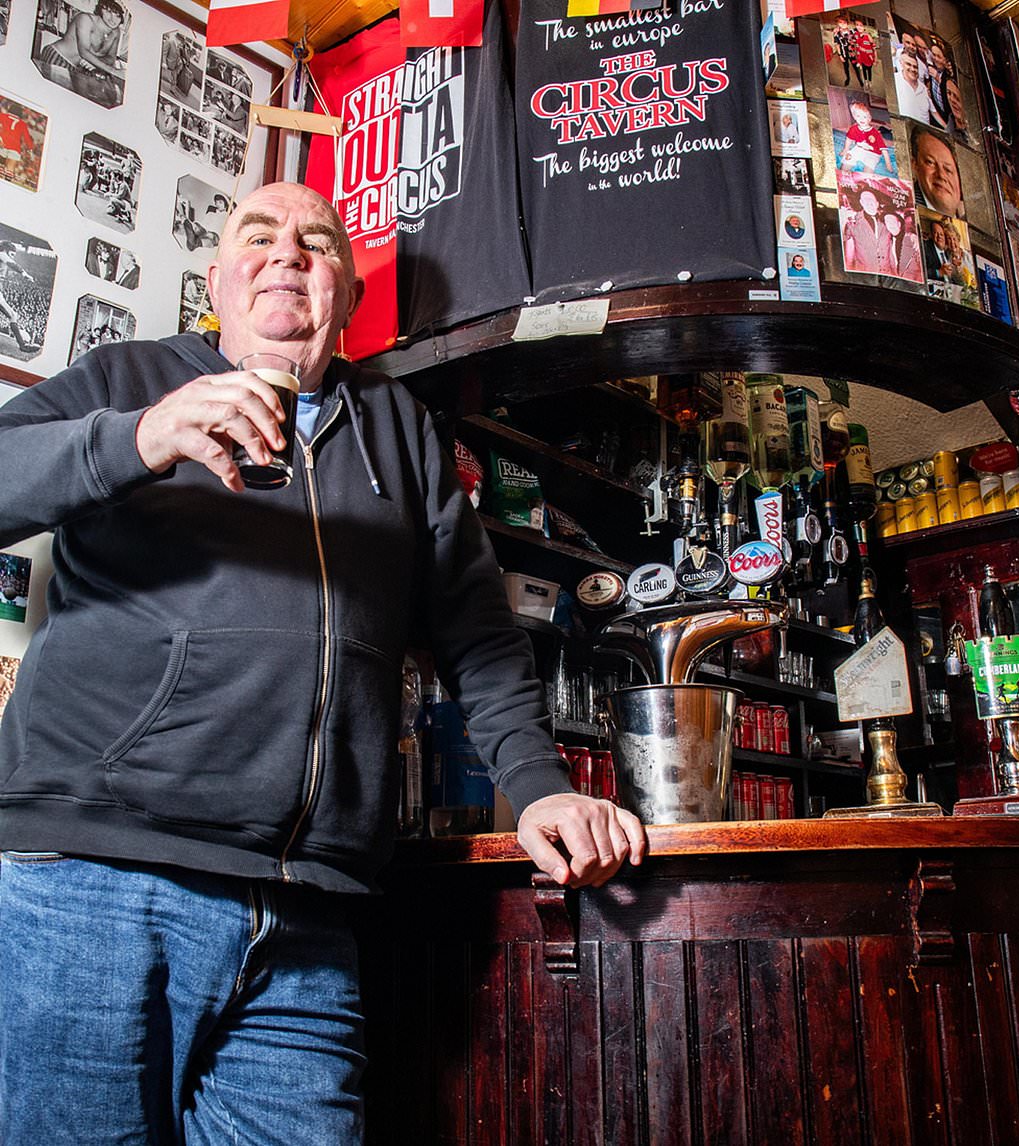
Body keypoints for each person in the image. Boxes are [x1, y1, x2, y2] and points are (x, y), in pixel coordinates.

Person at [0, 182, 645, 1141]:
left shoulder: (402, 431)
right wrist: (141, 437)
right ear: (218, 279)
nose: (288, 252)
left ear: (346, 292)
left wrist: (540, 785)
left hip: (308, 910)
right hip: (96, 879)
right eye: (256, 237)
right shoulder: (129, 378)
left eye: (318, 241)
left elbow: (476, 628)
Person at [912, 125, 965, 219]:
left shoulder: (968, 215)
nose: (941, 175)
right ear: (914, 165)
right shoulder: (910, 206)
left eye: (948, 169)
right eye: (930, 162)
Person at [842, 188, 882, 274]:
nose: (868, 202)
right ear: (861, 203)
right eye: (865, 200)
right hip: (865, 275)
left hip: (886, 277)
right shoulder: (853, 222)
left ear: (877, 203)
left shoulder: (886, 222)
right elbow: (848, 255)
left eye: (870, 199)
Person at [875, 212, 921, 280]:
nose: (889, 225)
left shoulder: (912, 239)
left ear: (899, 224)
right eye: (887, 222)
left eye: (892, 221)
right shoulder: (889, 242)